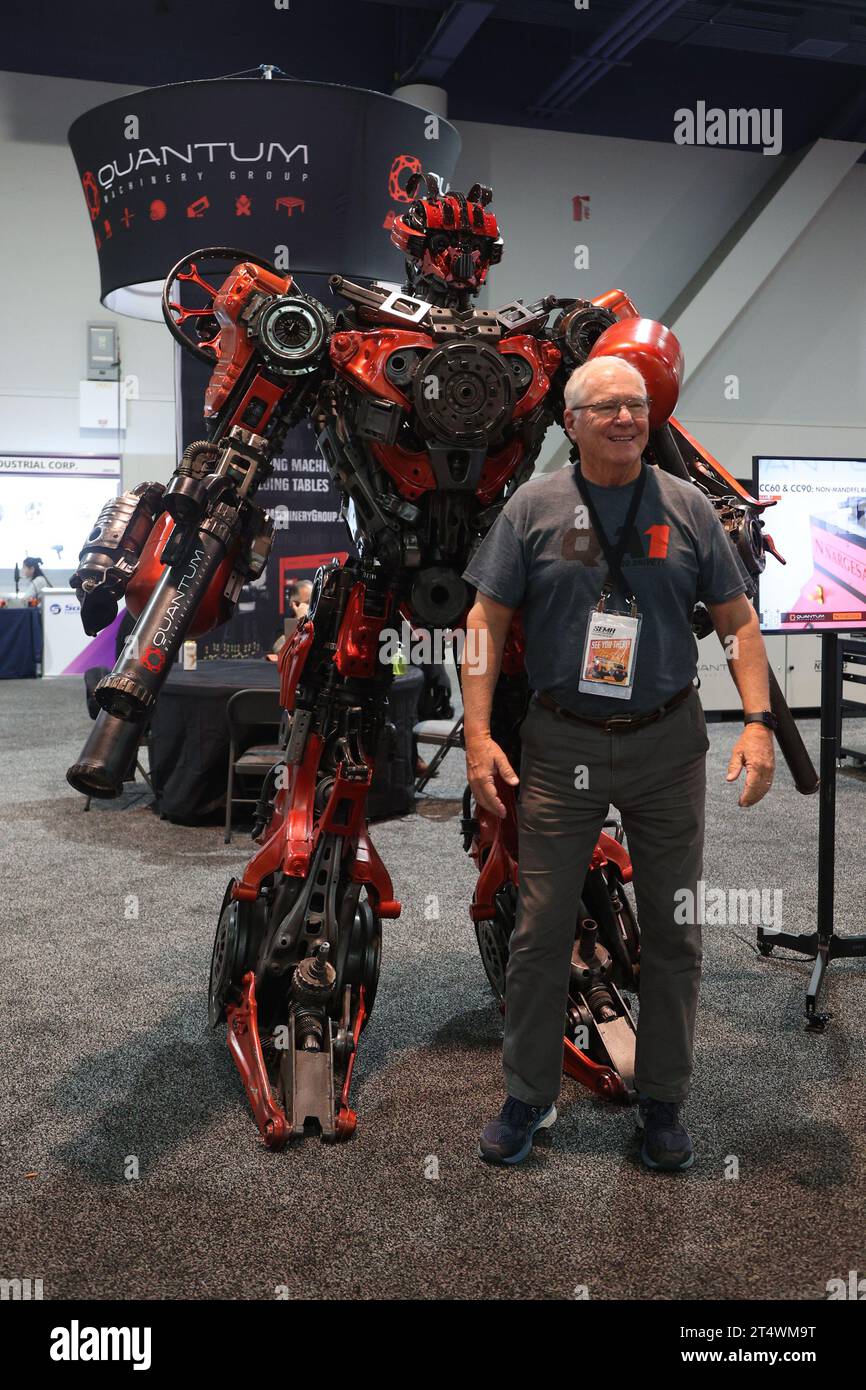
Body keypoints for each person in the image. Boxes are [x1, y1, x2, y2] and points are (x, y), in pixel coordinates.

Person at [461, 356, 775, 1172]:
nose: (626, 418)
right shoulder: (533, 508)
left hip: (668, 743)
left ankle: (663, 1099)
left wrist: (758, 721)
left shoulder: (688, 509)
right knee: (540, 930)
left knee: (675, 930)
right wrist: (478, 735)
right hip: (560, 741)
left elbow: (739, 621)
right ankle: (527, 1095)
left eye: (635, 405)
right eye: (607, 407)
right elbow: (484, 622)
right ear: (573, 421)